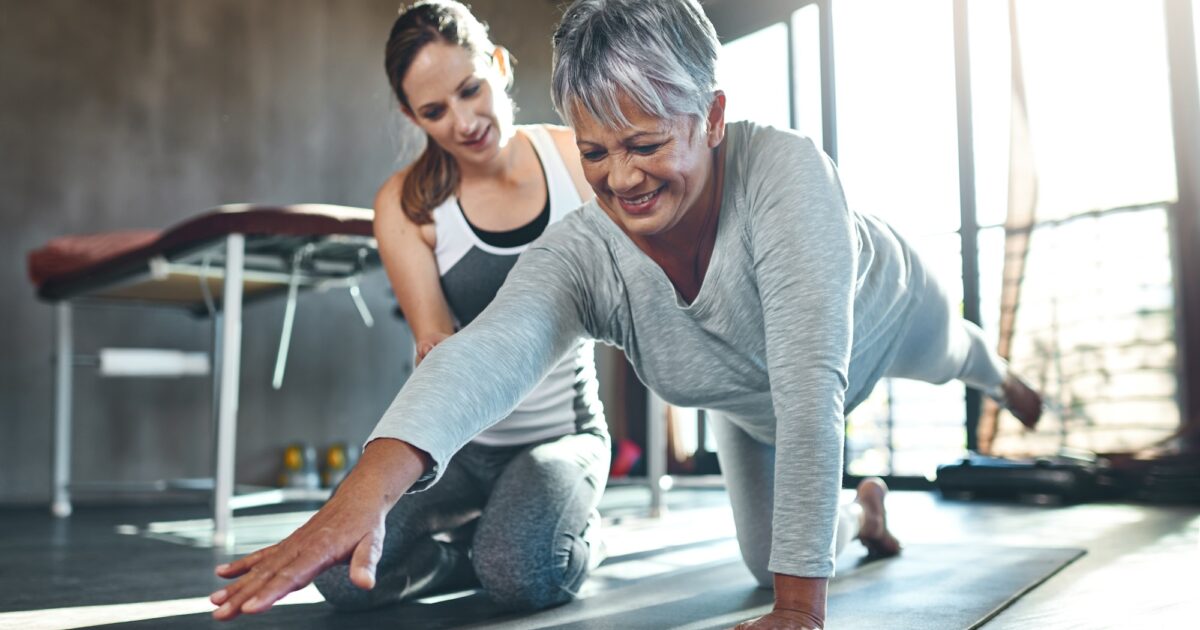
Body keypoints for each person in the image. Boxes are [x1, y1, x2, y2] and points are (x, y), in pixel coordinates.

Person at [210, 0, 1043, 627]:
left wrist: (802, 612)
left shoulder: (787, 176)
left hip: (881, 320)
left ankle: (1002, 375)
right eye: (598, 153)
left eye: (645, 145)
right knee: (769, 560)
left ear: (712, 117)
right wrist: (361, 495)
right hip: (756, 410)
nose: (621, 180)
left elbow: (810, 389)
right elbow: (484, 349)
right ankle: (865, 514)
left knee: (955, 355)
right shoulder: (589, 247)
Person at [310, 0, 608, 613]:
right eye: (434, 112)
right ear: (409, 114)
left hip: (559, 436)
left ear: (498, 64)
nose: (464, 121)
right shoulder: (406, 203)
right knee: (339, 571)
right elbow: (437, 343)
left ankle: (564, 537)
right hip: (460, 447)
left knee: (520, 574)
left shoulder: (574, 160)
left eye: (471, 90)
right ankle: (468, 556)